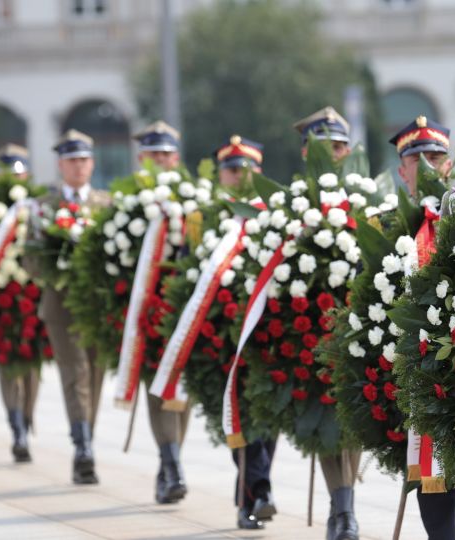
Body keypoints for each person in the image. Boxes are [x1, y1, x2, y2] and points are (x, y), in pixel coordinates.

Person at [390, 116, 455, 540]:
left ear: (448, 164)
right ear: (402, 168)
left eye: (435, 157)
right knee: (427, 459)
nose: (426, 165)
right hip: (405, 365)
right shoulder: (386, 224)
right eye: (416, 158)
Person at [294, 107, 361, 540]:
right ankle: (340, 506)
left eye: (339, 147)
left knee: (351, 418)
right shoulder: (294, 206)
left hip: (354, 324)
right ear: (307, 153)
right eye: (324, 148)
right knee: (322, 416)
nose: (333, 155)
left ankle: (347, 508)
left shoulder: (365, 199)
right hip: (309, 324)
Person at [36, 130, 111, 484]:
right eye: (71, 161)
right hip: (61, 303)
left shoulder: (106, 204)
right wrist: (59, 264)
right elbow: (29, 258)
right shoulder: (44, 206)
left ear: (92, 163)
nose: (78, 167)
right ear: (60, 165)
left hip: (98, 304)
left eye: (83, 160)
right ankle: (82, 445)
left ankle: (87, 437)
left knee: (95, 373)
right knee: (75, 371)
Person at [214, 134, 277, 530]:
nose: (240, 176)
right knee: (234, 415)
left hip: (264, 331)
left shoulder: (272, 215)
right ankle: (257, 489)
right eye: (233, 170)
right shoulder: (208, 216)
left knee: (264, 415)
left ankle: (255, 490)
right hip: (221, 332)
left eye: (248, 169)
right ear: (222, 175)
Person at [132, 121, 190, 504]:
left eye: (167, 155)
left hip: (185, 307)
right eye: (154, 155)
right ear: (142, 160)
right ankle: (170, 462)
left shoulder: (194, 201)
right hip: (146, 308)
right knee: (156, 387)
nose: (161, 161)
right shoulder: (130, 203)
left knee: (181, 390)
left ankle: (171, 461)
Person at [0, 144, 40, 463]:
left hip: (32, 297)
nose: (13, 178)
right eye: (7, 173)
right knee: (7, 364)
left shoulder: (35, 207)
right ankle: (16, 426)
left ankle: (27, 415)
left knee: (32, 367)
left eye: (18, 172)